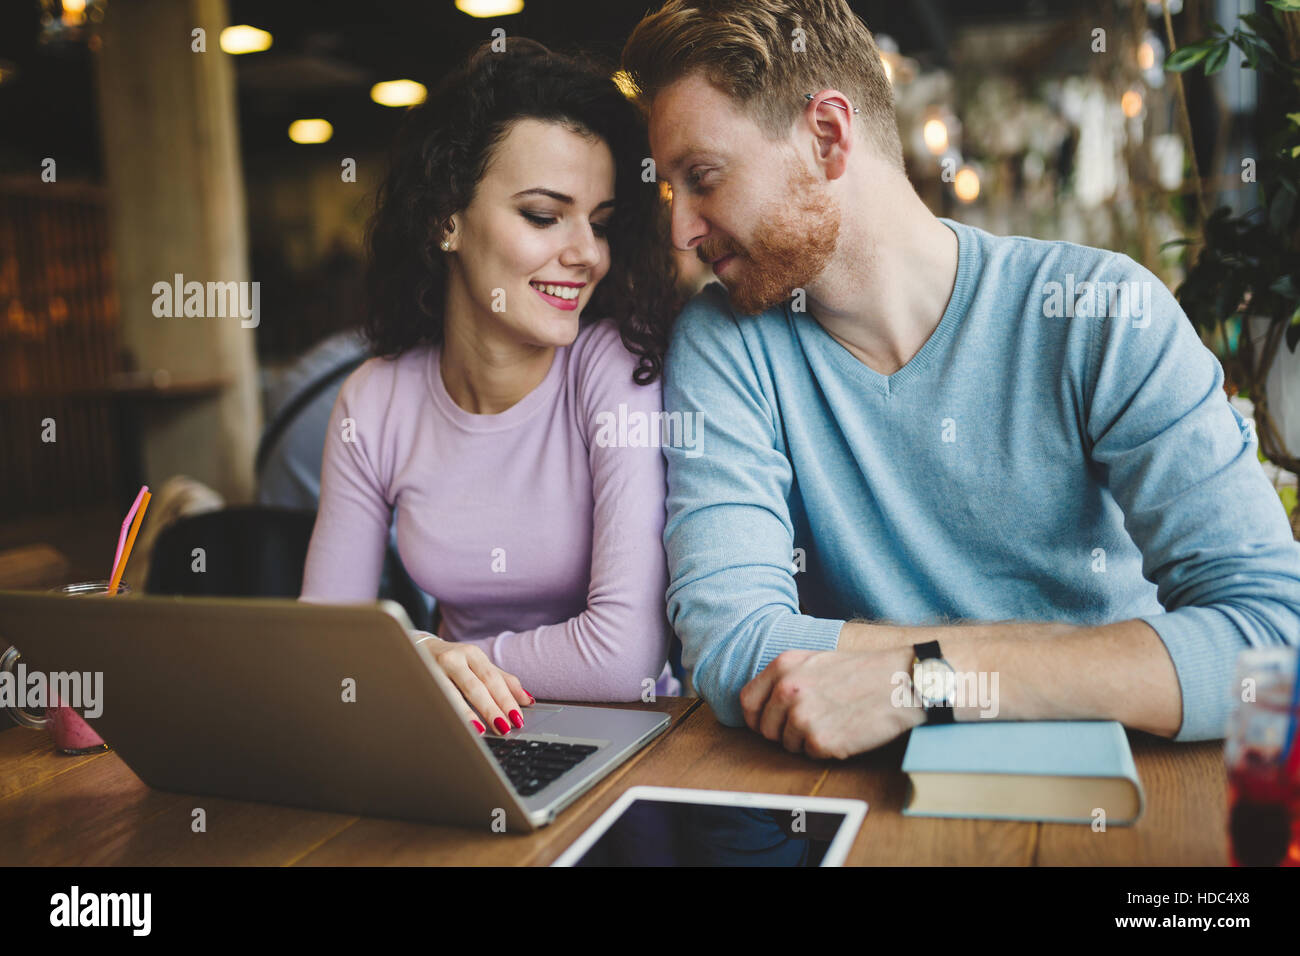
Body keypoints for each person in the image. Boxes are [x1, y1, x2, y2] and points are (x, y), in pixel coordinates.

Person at [621, 0, 1300, 758]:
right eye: (670, 190)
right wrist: (1091, 661)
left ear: (827, 136)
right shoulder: (727, 340)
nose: (680, 228)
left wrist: (929, 680)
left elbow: (1273, 644)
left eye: (702, 178)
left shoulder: (1101, 314)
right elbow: (734, 643)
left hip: (1126, 786)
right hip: (865, 793)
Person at [300, 38, 683, 737]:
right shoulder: (376, 399)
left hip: (627, 735)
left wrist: (427, 662)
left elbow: (624, 658)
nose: (588, 253)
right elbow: (324, 648)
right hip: (456, 736)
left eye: (599, 224)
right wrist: (412, 658)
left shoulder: (612, 369)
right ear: (447, 217)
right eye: (543, 215)